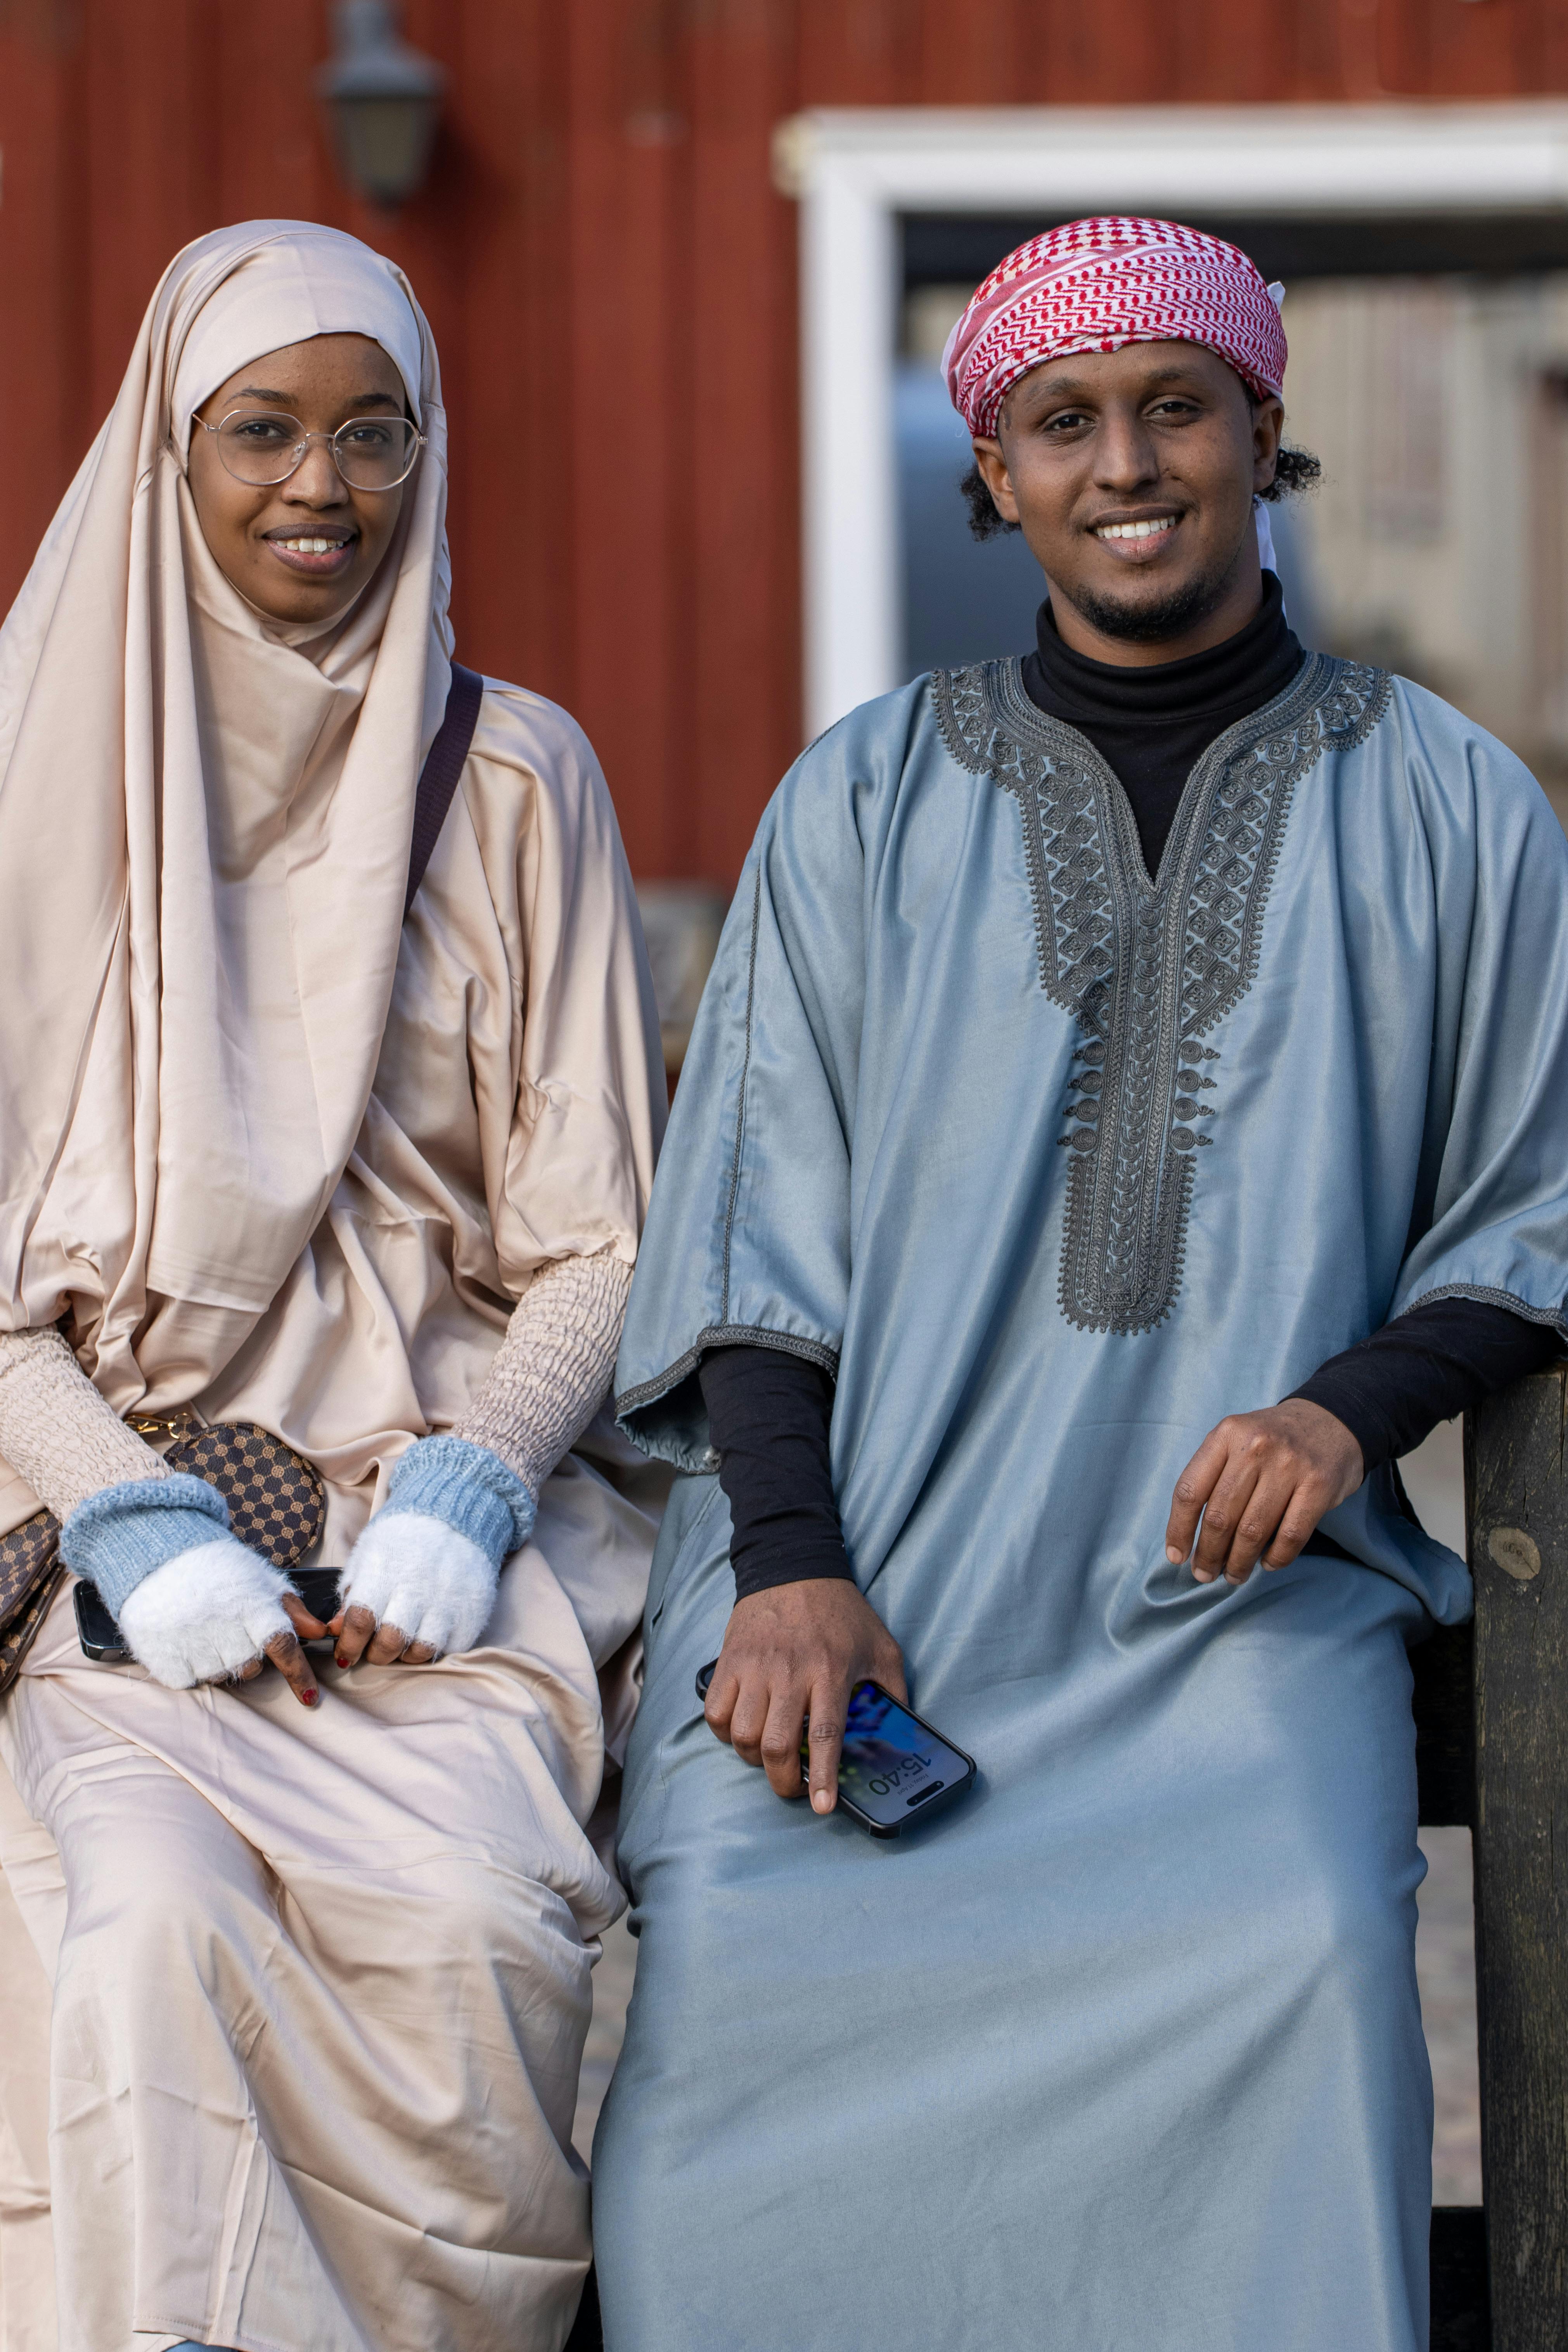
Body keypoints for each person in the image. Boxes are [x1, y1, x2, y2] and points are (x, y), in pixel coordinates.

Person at [594, 218, 1568, 2350]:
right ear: (997, 476)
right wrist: (780, 1565)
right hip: (866, 1616)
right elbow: (746, 1228)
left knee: (1310, 1951)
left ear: (1259, 431)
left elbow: (1544, 1200)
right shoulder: (859, 800)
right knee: (731, 2050)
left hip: (1235, 1628)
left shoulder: (1456, 807)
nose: (1128, 462)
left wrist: (1352, 1410)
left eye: (1175, 408)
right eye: (1065, 421)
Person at [0, 220, 665, 2352]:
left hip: (427, 1573)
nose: (322, 485)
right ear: (168, 454)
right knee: (133, 1956)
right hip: (123, 1594)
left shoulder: (512, 781)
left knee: (476, 1941)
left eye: (372, 433)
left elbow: (602, 1240)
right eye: (262, 432)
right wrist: (125, 1512)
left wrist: (475, 1489)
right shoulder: (33, 789)